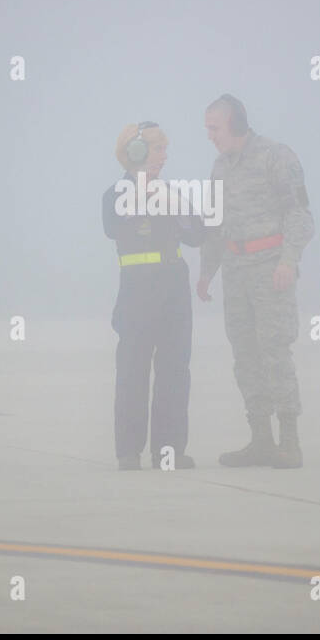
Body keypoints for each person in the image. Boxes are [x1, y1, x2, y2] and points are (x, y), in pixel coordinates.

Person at [197, 95, 314, 468]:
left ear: (234, 123)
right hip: (234, 269)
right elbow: (215, 226)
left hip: (270, 268)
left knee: (274, 350)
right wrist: (206, 272)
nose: (210, 136)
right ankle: (261, 438)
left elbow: (300, 214)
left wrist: (289, 260)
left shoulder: (277, 157)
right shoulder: (219, 167)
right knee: (245, 355)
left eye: (214, 128)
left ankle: (290, 442)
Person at [103, 121, 205, 471]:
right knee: (132, 369)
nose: (164, 156)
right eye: (158, 149)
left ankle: (169, 451)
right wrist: (145, 193)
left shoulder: (171, 192)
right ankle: (128, 452)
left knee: (175, 370)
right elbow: (112, 226)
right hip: (137, 291)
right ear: (136, 153)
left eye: (164, 149)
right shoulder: (116, 194)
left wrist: (177, 205)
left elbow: (197, 235)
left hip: (173, 288)